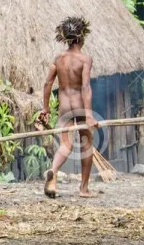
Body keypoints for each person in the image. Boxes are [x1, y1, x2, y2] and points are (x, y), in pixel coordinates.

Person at [38, 16, 100, 199]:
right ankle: (84, 189)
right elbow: (85, 87)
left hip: (64, 106)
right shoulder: (85, 59)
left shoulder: (58, 59)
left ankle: (53, 170)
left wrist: (46, 108)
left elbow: (48, 83)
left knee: (66, 144)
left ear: (65, 38)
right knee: (86, 144)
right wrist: (89, 115)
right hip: (80, 106)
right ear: (81, 38)